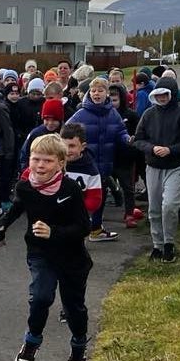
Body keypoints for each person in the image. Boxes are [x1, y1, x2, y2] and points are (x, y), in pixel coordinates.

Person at [0, 133, 92, 361]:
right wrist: (1, 227)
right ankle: (31, 342)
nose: (40, 165)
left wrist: (53, 232)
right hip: (40, 252)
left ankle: (78, 344)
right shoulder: (25, 187)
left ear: (60, 163)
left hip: (72, 256)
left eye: (47, 161)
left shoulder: (69, 188)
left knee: (73, 306)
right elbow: (17, 207)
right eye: (36, 159)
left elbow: (83, 227)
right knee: (41, 297)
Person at [130, 76, 180, 262]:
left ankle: (169, 242)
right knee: (155, 208)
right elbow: (138, 139)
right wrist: (151, 149)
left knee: (170, 206)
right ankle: (157, 245)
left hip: (176, 166)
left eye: (165, 94)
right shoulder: (149, 114)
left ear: (172, 94)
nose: (161, 98)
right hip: (153, 166)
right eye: (158, 94)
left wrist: (171, 150)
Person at [67, 76, 127, 240]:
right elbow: (66, 133)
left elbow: (120, 131)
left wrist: (127, 139)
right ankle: (74, 228)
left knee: (100, 197)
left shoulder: (113, 113)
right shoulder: (81, 114)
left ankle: (96, 229)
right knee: (81, 198)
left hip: (106, 162)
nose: (96, 94)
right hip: (86, 164)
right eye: (93, 91)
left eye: (100, 90)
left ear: (107, 93)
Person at [17, 97, 65, 169]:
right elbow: (25, 155)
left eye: (54, 120)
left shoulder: (65, 133)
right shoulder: (36, 134)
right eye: (47, 119)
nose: (50, 123)